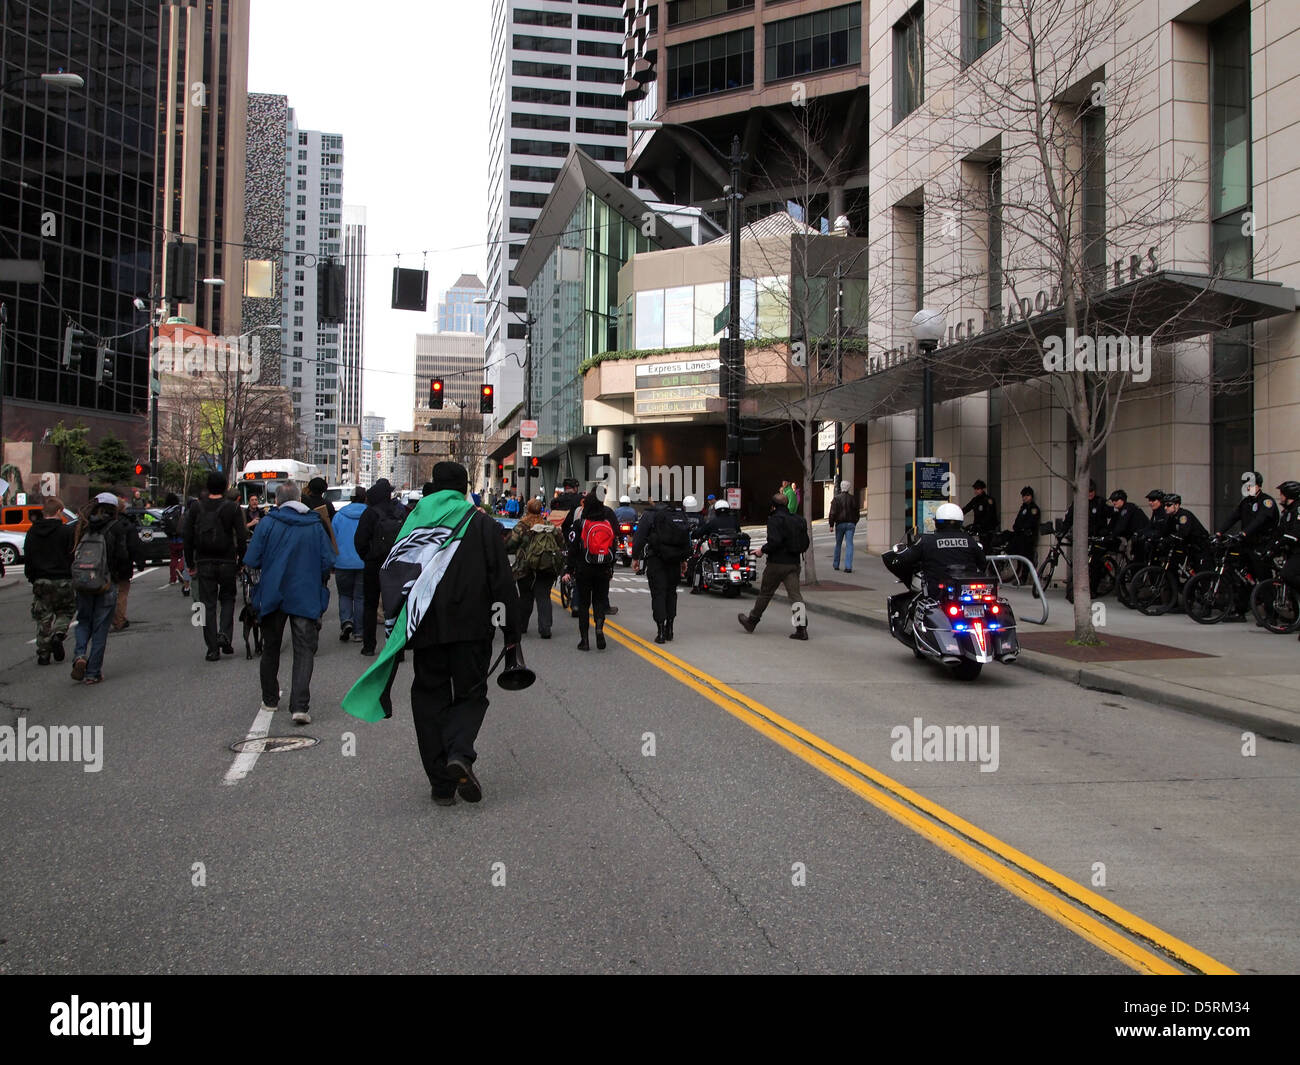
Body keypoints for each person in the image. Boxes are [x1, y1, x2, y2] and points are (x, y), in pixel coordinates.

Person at [342, 461, 520, 806]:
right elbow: (501, 580)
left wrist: (393, 622)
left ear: (435, 487)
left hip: (424, 626)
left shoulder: (413, 521)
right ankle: (460, 752)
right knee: (471, 692)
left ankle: (441, 784)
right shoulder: (481, 522)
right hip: (472, 627)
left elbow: (393, 568)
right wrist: (511, 630)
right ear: (464, 487)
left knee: (428, 697)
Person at [243, 481, 334, 725]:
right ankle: (299, 706)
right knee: (304, 650)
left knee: (271, 646)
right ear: (300, 500)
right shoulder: (315, 525)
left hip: (272, 594)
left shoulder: (267, 524)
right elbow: (327, 561)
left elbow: (251, 559)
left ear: (277, 501)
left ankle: (270, 699)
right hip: (305, 594)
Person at [883, 502, 988, 628]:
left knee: (917, 605)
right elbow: (982, 563)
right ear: (960, 522)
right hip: (966, 592)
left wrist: (901, 554)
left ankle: (915, 630)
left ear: (938, 522)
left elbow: (907, 558)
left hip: (937, 591)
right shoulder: (969, 540)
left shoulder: (928, 541)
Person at [182, 472, 250, 661]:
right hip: (227, 560)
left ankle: (212, 648)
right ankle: (225, 635)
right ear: (225, 487)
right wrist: (241, 561)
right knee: (228, 598)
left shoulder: (196, 507)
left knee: (207, 604)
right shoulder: (233, 508)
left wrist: (190, 563)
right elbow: (242, 536)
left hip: (203, 561)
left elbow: (187, 537)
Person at [69, 493, 131, 684]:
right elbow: (122, 555)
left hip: (83, 581)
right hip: (106, 581)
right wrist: (123, 575)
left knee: (83, 621)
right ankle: (92, 672)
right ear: (113, 509)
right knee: (100, 628)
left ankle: (80, 655)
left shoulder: (82, 525)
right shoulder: (116, 527)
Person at [738, 493, 810, 639]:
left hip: (776, 563)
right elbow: (805, 542)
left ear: (773, 506)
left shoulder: (774, 520)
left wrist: (761, 551)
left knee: (765, 593)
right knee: (795, 595)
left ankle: (752, 621)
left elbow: (774, 542)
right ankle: (801, 628)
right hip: (793, 563)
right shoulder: (798, 520)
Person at [353, 478, 407, 656]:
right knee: (394, 607)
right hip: (395, 564)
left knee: (370, 605)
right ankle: (396, 649)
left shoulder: (369, 514)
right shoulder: (400, 512)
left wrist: (368, 557)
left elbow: (360, 541)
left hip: (374, 564)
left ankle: (369, 646)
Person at [25, 496, 75, 666]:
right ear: (59, 511)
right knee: (66, 610)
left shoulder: (32, 532)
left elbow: (29, 557)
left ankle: (43, 654)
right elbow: (72, 555)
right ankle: (59, 633)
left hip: (41, 579)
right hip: (63, 578)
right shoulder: (66, 531)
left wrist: (32, 577)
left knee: (43, 617)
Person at [568, 485, 619, 651]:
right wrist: (610, 567)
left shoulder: (579, 524)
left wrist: (569, 569)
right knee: (599, 601)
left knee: (584, 604)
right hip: (603, 567)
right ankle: (599, 628)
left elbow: (573, 549)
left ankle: (584, 640)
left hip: (584, 568)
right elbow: (613, 544)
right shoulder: (607, 520)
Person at [634, 495, 691, 643]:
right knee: (671, 593)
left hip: (656, 559)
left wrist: (635, 557)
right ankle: (670, 629)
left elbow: (639, 537)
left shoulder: (649, 514)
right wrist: (683, 559)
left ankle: (660, 631)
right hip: (675, 560)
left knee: (658, 593)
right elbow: (685, 538)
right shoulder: (677, 513)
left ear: (652, 498)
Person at [506, 497, 565, 638]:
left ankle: (522, 626)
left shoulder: (521, 527)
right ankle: (545, 628)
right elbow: (561, 542)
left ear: (527, 509)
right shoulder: (549, 526)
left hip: (524, 568)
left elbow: (510, 545)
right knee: (544, 596)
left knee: (526, 597)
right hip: (546, 567)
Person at [1217, 471, 1279, 582]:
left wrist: (1244, 533)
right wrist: (1219, 532)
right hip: (1247, 543)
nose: (1247, 488)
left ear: (1258, 486)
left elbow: (1259, 520)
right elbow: (1232, 518)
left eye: (1249, 485)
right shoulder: (1246, 502)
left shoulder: (1266, 501)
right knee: (1241, 570)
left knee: (1262, 574)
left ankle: (1267, 597)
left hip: (1262, 544)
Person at [332, 485, 368, 642]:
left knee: (345, 594)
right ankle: (359, 632)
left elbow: (333, 538)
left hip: (342, 562)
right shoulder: (369, 514)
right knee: (360, 597)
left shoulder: (339, 516)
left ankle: (347, 621)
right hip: (363, 562)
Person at [690, 498, 741, 593]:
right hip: (734, 551)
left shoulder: (713, 522)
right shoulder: (734, 521)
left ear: (716, 510)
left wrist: (694, 534)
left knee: (699, 563)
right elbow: (739, 532)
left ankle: (696, 587)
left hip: (717, 552)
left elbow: (700, 532)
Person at [111, 496, 146, 631]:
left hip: (106, 564)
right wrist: (140, 562)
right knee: (122, 592)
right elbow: (134, 546)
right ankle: (119, 619)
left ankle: (109, 618)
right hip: (123, 563)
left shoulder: (102, 522)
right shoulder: (126, 524)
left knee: (108, 591)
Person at [1272, 481, 1300, 641]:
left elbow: (1296, 532)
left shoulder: (1298, 509)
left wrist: (1279, 543)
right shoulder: (1287, 512)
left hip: (1298, 551)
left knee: (1288, 575)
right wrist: (1271, 547)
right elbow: (1279, 532)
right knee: (1290, 583)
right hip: (1291, 551)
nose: (1280, 497)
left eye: (1282, 493)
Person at [828, 480, 860, 572]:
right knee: (849, 545)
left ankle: (836, 564)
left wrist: (831, 524)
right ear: (848, 488)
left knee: (838, 544)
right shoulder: (853, 499)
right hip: (850, 523)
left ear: (841, 487)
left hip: (840, 524)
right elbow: (857, 513)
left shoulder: (836, 499)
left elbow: (832, 513)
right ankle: (848, 566)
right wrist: (854, 522)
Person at [161, 492, 190, 593]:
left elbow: (163, 525)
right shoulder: (181, 509)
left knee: (173, 557)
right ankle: (180, 568)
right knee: (184, 555)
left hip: (171, 538)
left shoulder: (165, 511)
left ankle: (172, 578)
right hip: (181, 537)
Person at [1007, 486, 1041, 570]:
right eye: (1023, 496)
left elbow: (1031, 523)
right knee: (1018, 556)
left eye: (1027, 495)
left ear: (1031, 496)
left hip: (1028, 537)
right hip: (1020, 536)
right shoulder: (1023, 508)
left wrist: (1022, 528)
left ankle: (1024, 577)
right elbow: (1017, 521)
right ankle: (1019, 574)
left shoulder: (1034, 509)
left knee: (1026, 557)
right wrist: (1016, 527)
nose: (1024, 498)